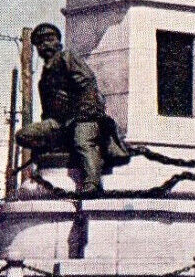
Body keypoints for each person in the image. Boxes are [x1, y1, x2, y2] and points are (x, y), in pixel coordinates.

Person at [14, 22, 131, 195]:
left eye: (49, 39)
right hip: (59, 122)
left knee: (82, 141)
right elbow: (48, 107)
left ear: (58, 41)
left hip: (83, 116)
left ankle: (93, 182)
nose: (44, 45)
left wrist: (83, 114)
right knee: (24, 135)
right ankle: (54, 152)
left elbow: (88, 85)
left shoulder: (67, 58)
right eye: (40, 42)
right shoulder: (45, 74)